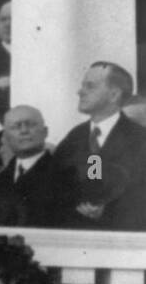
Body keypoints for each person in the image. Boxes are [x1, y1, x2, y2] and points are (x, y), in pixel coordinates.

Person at [52, 62, 146, 231]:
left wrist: (108, 209)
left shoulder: (141, 139)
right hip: (74, 238)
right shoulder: (74, 137)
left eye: (90, 86)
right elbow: (54, 188)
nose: (80, 92)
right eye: (82, 86)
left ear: (114, 94)